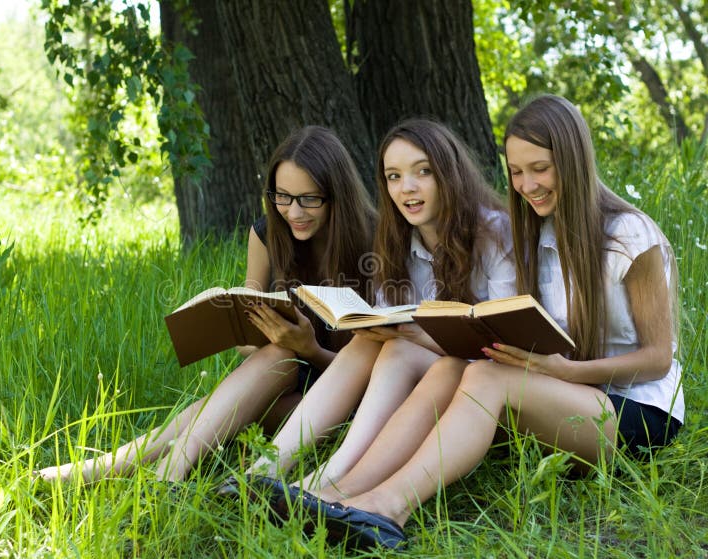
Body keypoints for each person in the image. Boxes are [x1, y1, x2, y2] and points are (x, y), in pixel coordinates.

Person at [298, 95, 685, 550]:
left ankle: (387, 507)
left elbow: (659, 360)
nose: (527, 185)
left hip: (634, 413)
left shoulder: (628, 234)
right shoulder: (532, 234)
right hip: (564, 396)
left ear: (573, 160)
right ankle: (337, 493)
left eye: (539, 168)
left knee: (485, 378)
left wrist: (568, 371)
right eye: (516, 172)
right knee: (449, 368)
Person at [35, 125, 377, 484]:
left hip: (352, 398)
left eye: (309, 199)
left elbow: (380, 371)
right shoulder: (267, 234)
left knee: (227, 405)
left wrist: (308, 349)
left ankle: (120, 466)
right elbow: (248, 347)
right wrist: (243, 326)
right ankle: (158, 468)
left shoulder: (375, 242)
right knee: (273, 361)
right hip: (285, 381)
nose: (293, 212)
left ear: (336, 195)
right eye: (282, 197)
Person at [245, 119, 515, 495]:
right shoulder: (397, 239)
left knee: (400, 347)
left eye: (423, 172)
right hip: (417, 378)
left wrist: (416, 334)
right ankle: (268, 469)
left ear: (449, 174)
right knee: (373, 342)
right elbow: (390, 318)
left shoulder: (496, 234)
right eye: (393, 176)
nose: (407, 188)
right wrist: (377, 327)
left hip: (480, 389)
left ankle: (328, 477)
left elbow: (506, 343)